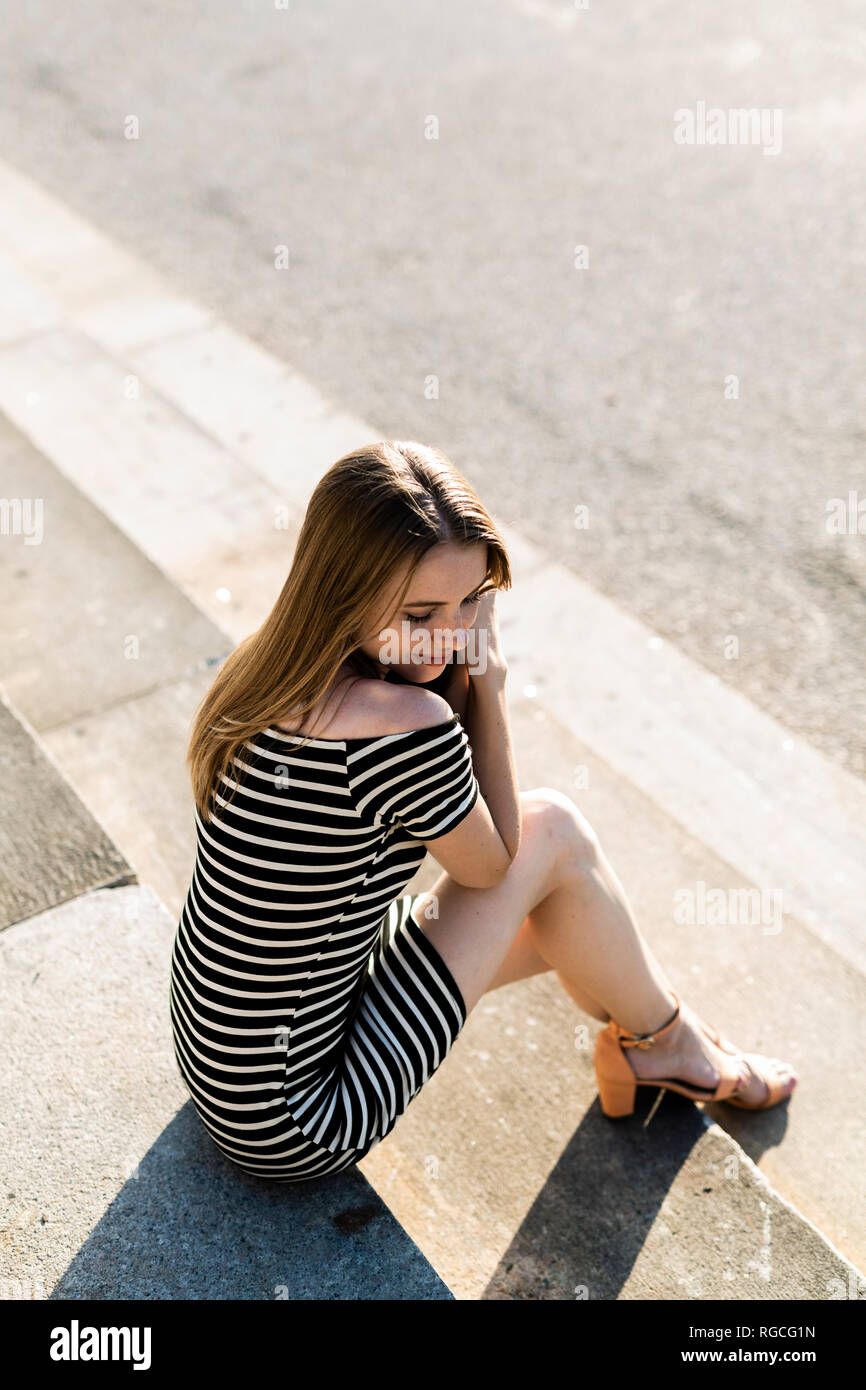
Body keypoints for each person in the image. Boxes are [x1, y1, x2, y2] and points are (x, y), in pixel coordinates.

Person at [169, 439, 797, 1183]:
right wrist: (488, 689)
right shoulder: (398, 723)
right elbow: (495, 863)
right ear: (346, 591)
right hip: (300, 1116)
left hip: (223, 1063)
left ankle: (658, 1036)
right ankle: (667, 1041)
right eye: (421, 611)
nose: (454, 633)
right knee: (554, 836)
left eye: (471, 602)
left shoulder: (267, 670)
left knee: (564, 896)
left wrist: (442, 662)